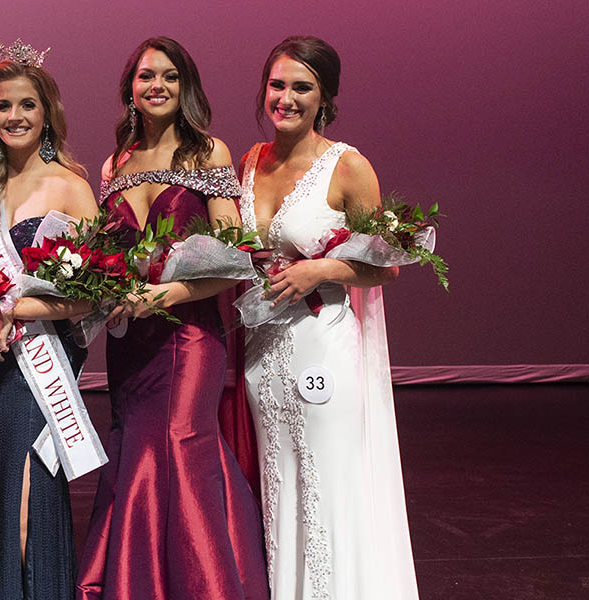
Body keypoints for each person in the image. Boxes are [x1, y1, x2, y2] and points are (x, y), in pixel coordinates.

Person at [76, 37, 269, 600]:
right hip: (129, 345)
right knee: (137, 453)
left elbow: (237, 260)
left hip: (189, 338)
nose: (156, 86)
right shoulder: (115, 164)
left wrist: (165, 295)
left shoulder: (206, 152)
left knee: (183, 447)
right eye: (145, 76)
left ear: (186, 87)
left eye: (169, 76)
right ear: (129, 89)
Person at [237, 36, 419, 599]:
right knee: (280, 483)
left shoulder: (347, 165)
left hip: (325, 346)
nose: (285, 98)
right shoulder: (249, 160)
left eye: (301, 87)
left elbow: (385, 264)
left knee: (326, 482)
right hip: (263, 349)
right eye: (277, 85)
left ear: (325, 98)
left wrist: (319, 271)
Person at [0, 42, 98, 600]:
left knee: (28, 507)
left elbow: (92, 298)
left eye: (27, 105)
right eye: (2, 106)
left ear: (47, 114)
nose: (14, 116)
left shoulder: (72, 187)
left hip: (42, 370)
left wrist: (9, 308)